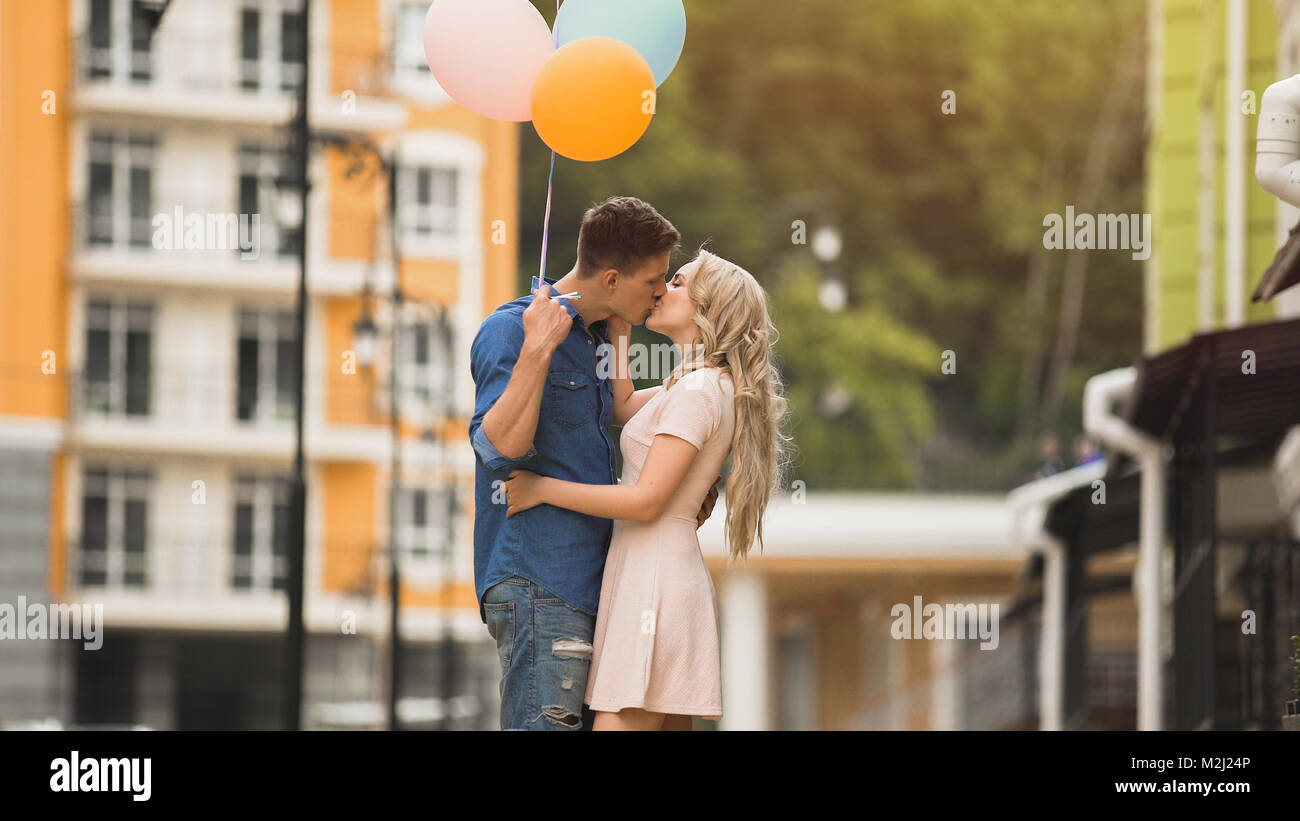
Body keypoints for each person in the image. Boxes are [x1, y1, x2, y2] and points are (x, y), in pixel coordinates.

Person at [504, 249, 789, 730]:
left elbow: (645, 500)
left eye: (676, 283)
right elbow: (621, 406)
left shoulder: (699, 393)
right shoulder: (692, 385)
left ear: (708, 309)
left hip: (654, 586)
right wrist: (620, 330)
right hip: (652, 578)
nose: (661, 289)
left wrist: (541, 488)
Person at [469, 196, 718, 731]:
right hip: (541, 578)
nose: (660, 290)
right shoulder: (512, 330)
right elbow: (497, 449)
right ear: (611, 280)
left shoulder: (604, 335)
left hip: (598, 580)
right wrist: (538, 349)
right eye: (654, 280)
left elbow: (634, 412)